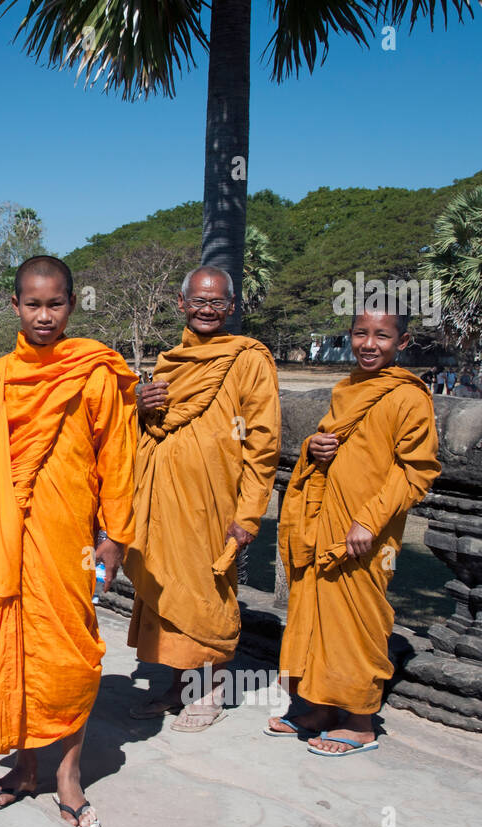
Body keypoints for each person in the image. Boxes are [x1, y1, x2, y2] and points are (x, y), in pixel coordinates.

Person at [0, 256, 136, 827]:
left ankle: (69, 774)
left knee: (75, 654)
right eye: (32, 304)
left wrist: (116, 536)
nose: (44, 314)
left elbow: (119, 459)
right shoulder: (0, 374)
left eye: (55, 303)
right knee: (11, 652)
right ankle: (24, 767)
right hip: (10, 538)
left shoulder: (94, 371)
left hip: (68, 538)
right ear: (14, 306)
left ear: (72, 305)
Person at [268, 307, 441, 755]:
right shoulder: (347, 390)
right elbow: (334, 447)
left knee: (356, 622)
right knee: (316, 615)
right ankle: (321, 709)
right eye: (360, 333)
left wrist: (370, 519)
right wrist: (313, 448)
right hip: (326, 521)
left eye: (381, 336)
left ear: (402, 343)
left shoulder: (409, 397)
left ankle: (361, 721)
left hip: (367, 531)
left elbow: (415, 471)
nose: (369, 344)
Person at [124, 266, 280, 730]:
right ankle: (174, 685)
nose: (207, 310)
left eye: (216, 303)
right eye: (198, 301)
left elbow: (263, 441)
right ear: (181, 302)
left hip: (215, 500)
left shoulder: (248, 358)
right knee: (165, 588)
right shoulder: (172, 360)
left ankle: (210, 690)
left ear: (231, 307)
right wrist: (142, 408)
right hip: (160, 497)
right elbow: (152, 430)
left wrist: (249, 513)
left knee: (207, 592)